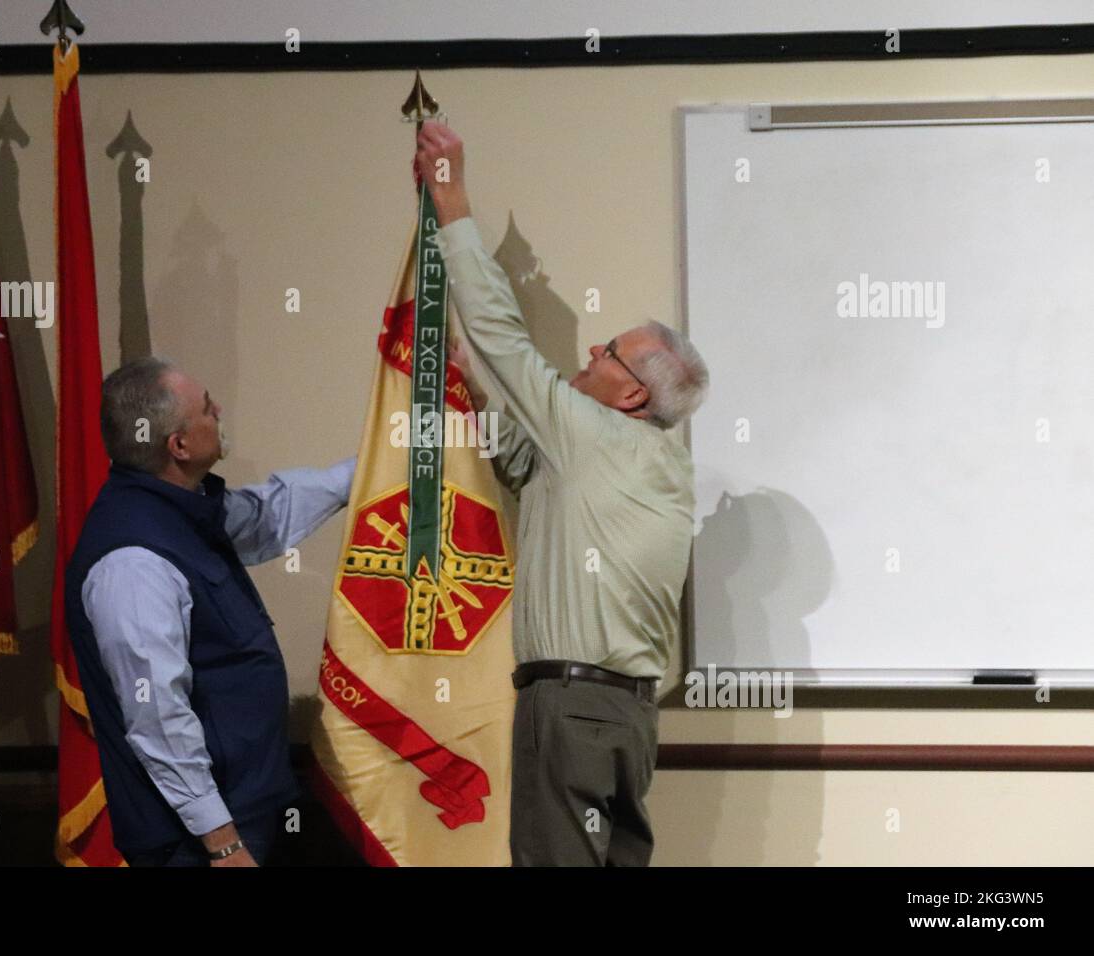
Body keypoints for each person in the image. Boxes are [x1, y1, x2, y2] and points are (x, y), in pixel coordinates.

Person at [415, 121, 709, 866]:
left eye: (608, 351)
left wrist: (450, 198)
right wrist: (467, 389)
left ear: (635, 395)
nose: (590, 350)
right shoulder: (655, 465)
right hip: (630, 721)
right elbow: (521, 465)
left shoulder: (591, 435)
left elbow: (501, 333)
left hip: (568, 708)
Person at [65, 356, 354, 867]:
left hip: (243, 810)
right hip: (200, 842)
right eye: (205, 408)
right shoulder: (133, 561)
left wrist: (381, 464)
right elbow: (157, 717)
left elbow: (269, 514)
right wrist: (223, 844)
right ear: (178, 445)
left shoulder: (180, 508)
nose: (218, 410)